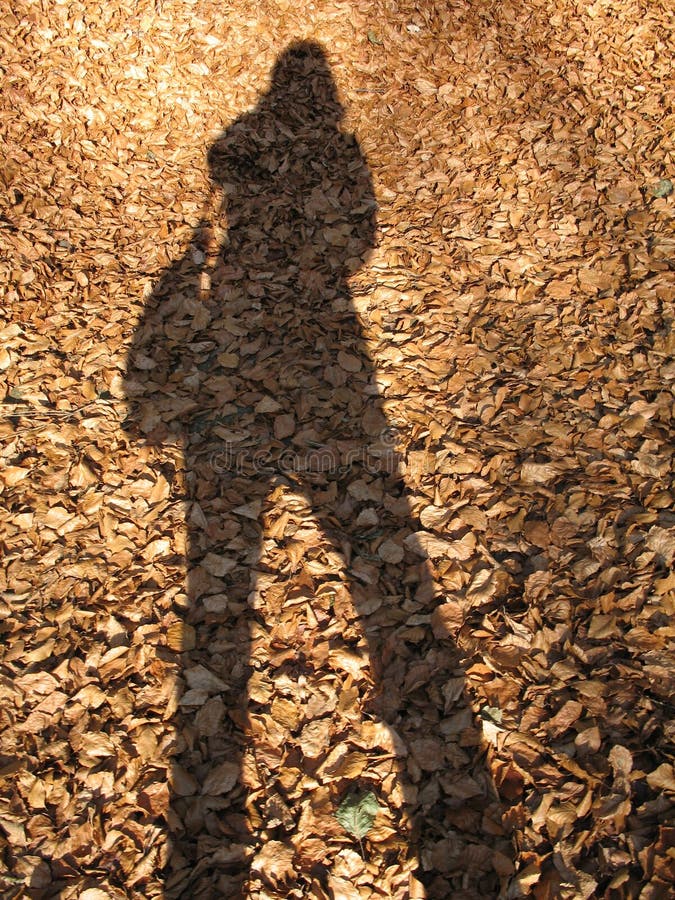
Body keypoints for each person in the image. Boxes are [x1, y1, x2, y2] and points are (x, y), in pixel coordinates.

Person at [124, 41, 505, 899]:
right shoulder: (332, 148)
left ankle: (205, 773)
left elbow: (228, 174)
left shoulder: (243, 140)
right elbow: (362, 236)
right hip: (325, 334)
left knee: (225, 564)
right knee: (377, 548)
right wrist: (318, 248)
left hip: (243, 342)